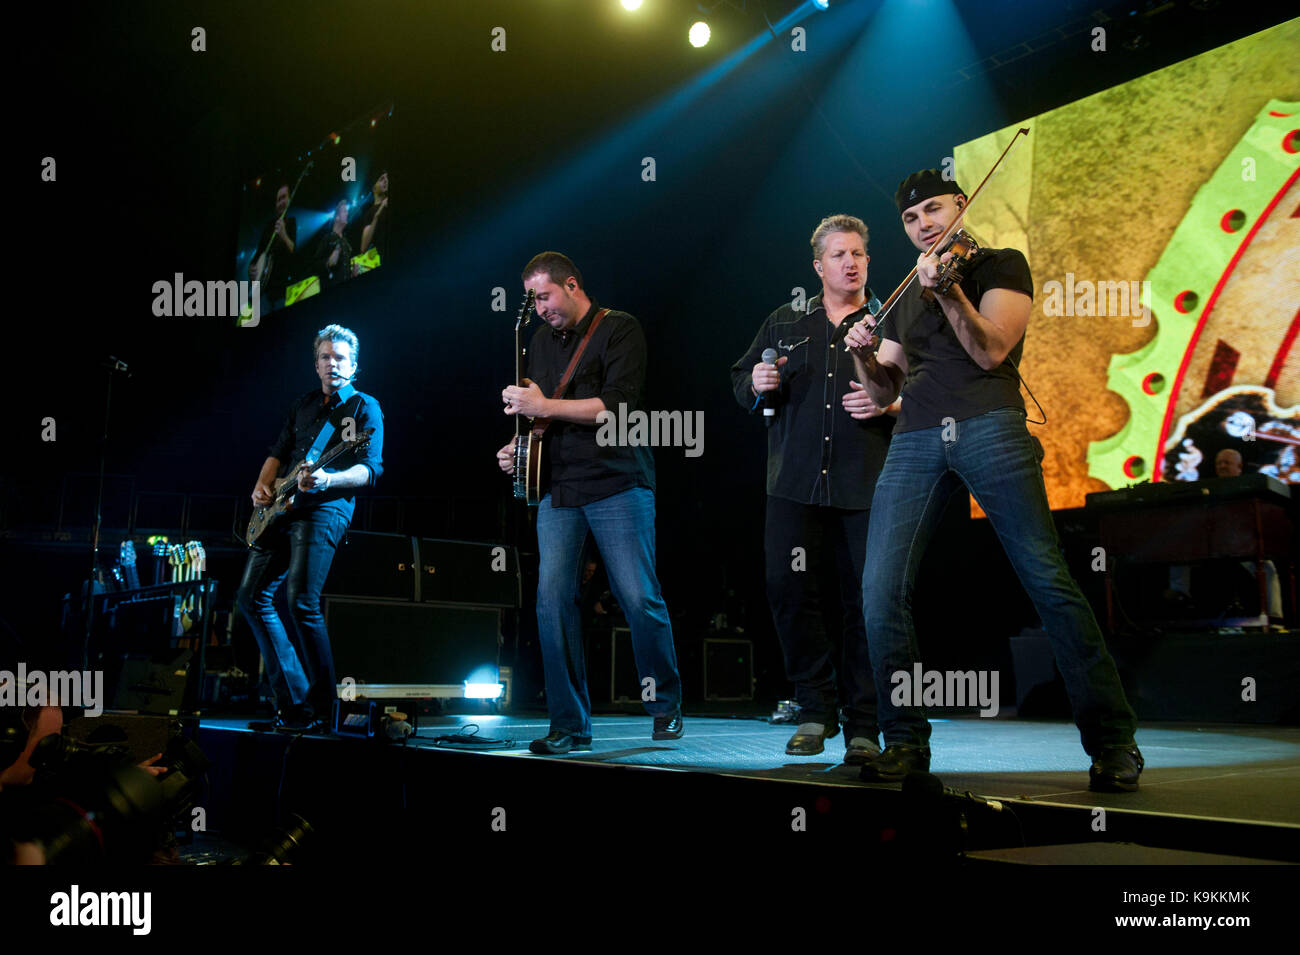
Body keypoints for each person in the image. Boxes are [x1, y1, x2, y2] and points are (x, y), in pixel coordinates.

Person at [845, 169, 1143, 791]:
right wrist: (861, 351)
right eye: (911, 217)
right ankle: (903, 741)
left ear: (959, 205)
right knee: (879, 589)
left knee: (1046, 580)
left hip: (990, 424)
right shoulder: (900, 296)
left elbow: (990, 352)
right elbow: (881, 393)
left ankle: (1113, 742)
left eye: (933, 209)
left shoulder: (1001, 264)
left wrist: (949, 293)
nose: (923, 223)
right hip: (917, 435)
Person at [496, 252, 683, 754]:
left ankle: (665, 704)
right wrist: (520, 447)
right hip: (559, 486)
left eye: (544, 296)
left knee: (638, 596)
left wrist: (544, 406)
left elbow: (620, 407)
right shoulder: (537, 341)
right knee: (552, 601)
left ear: (572, 284)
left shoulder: (619, 329)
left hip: (618, 479)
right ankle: (569, 725)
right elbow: (541, 416)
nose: (538, 308)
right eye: (531, 299)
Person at [729, 214, 894, 763]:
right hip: (794, 485)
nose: (851, 262)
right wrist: (756, 382)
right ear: (818, 266)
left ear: (868, 260)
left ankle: (865, 724)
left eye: (858, 254)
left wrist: (889, 402)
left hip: (866, 484)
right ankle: (813, 710)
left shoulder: (886, 319)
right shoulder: (785, 321)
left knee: (866, 605)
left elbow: (921, 388)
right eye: (839, 254)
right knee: (789, 590)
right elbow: (742, 378)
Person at [238, 325, 384, 733]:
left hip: (325, 508)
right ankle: (293, 703)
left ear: (354, 365)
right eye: (325, 357)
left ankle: (324, 708)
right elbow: (278, 452)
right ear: (316, 363)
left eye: (340, 358)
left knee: (301, 599)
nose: (332, 363)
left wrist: (327, 480)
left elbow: (370, 471)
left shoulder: (364, 408)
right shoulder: (302, 404)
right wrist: (262, 484)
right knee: (249, 597)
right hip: (283, 508)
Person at [248, 183, 297, 306]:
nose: (281, 202)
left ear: (289, 200)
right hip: (263, 293)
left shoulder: (291, 222)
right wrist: (251, 268)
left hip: (282, 291)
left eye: (284, 197)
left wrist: (284, 234)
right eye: (278, 200)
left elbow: (293, 250)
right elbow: (258, 253)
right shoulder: (268, 227)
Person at [313, 200, 356, 288]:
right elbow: (314, 266)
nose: (347, 213)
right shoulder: (327, 238)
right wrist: (328, 262)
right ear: (337, 217)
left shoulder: (346, 243)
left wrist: (352, 274)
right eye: (344, 211)